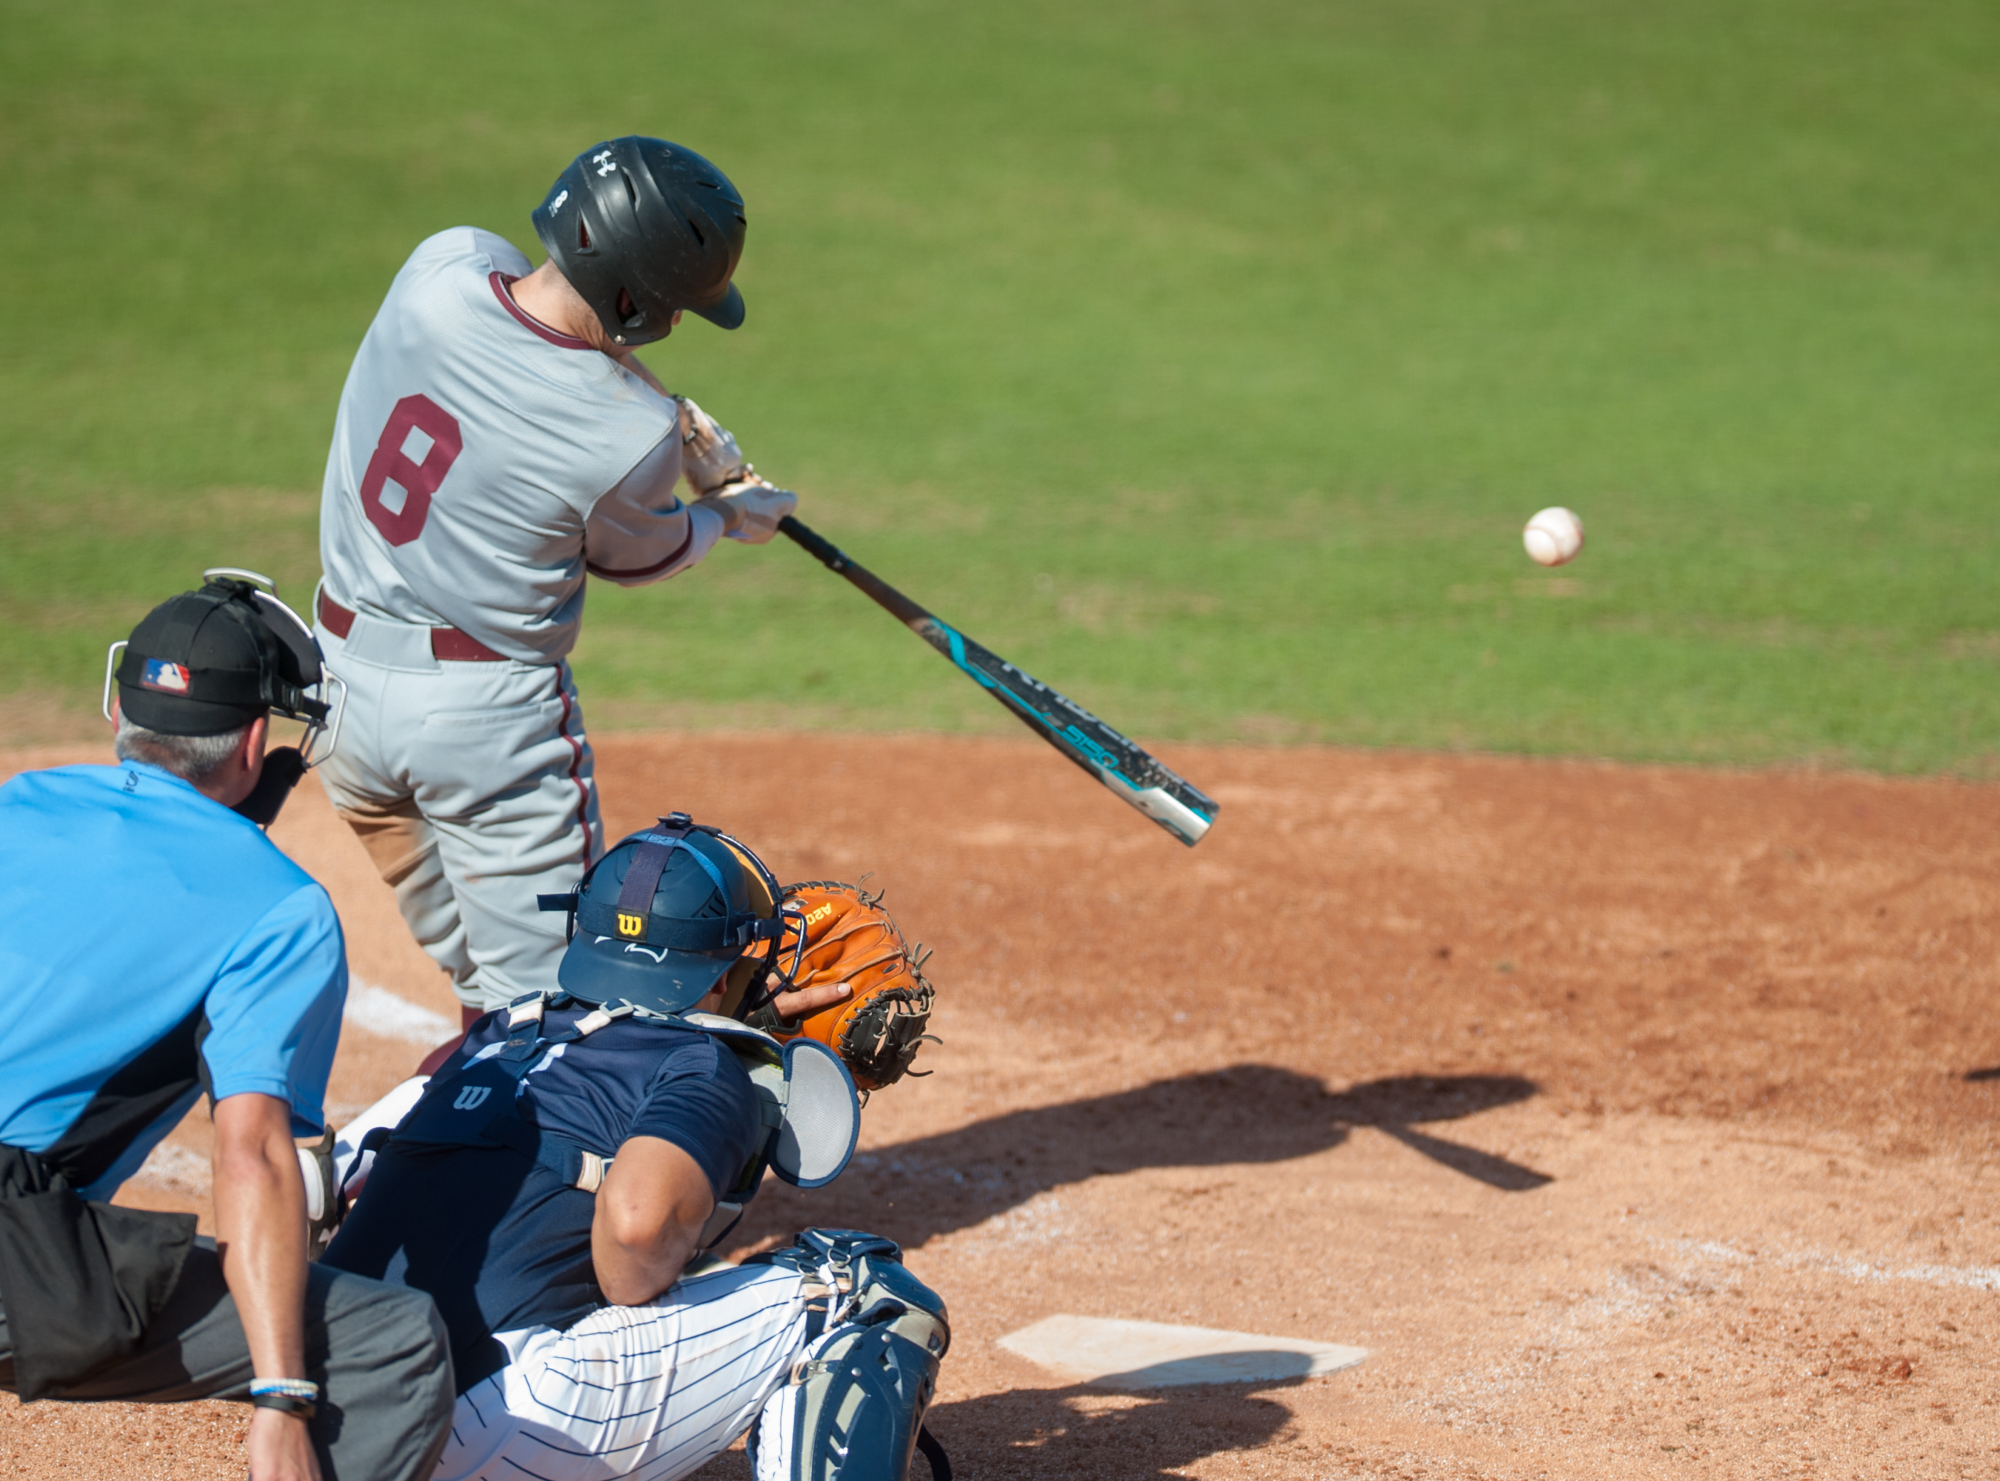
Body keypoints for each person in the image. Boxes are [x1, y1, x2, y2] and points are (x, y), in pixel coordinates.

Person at [313, 135, 799, 1034]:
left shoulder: (440, 265)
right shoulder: (630, 435)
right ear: (633, 298)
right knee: (549, 1015)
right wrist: (731, 508)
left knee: (483, 991)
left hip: (335, 693)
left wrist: (651, 403)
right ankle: (389, 1172)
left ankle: (415, 1156)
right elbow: (640, 556)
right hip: (481, 735)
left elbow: (536, 327)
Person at [320, 815, 950, 1481]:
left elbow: (325, 1183)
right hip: (487, 1427)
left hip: (323, 1418)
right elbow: (635, 1233)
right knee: (862, 1290)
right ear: (723, 973)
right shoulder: (703, 1064)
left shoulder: (501, 1034)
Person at [0, 572, 455, 1481]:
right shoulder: (279, 908)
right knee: (393, 1345)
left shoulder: (20, 799)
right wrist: (282, 1396)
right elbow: (251, 1153)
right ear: (257, 740)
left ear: (120, 706)